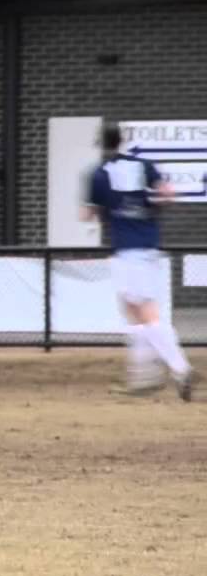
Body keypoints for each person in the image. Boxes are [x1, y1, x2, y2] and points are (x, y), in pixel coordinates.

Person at [82, 122, 196, 400]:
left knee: (145, 314)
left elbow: (87, 214)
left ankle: (179, 367)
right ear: (123, 140)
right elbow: (168, 194)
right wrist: (149, 205)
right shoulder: (144, 166)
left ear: (102, 144)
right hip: (149, 247)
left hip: (127, 250)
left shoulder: (100, 175)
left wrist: (107, 210)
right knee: (133, 311)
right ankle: (145, 375)